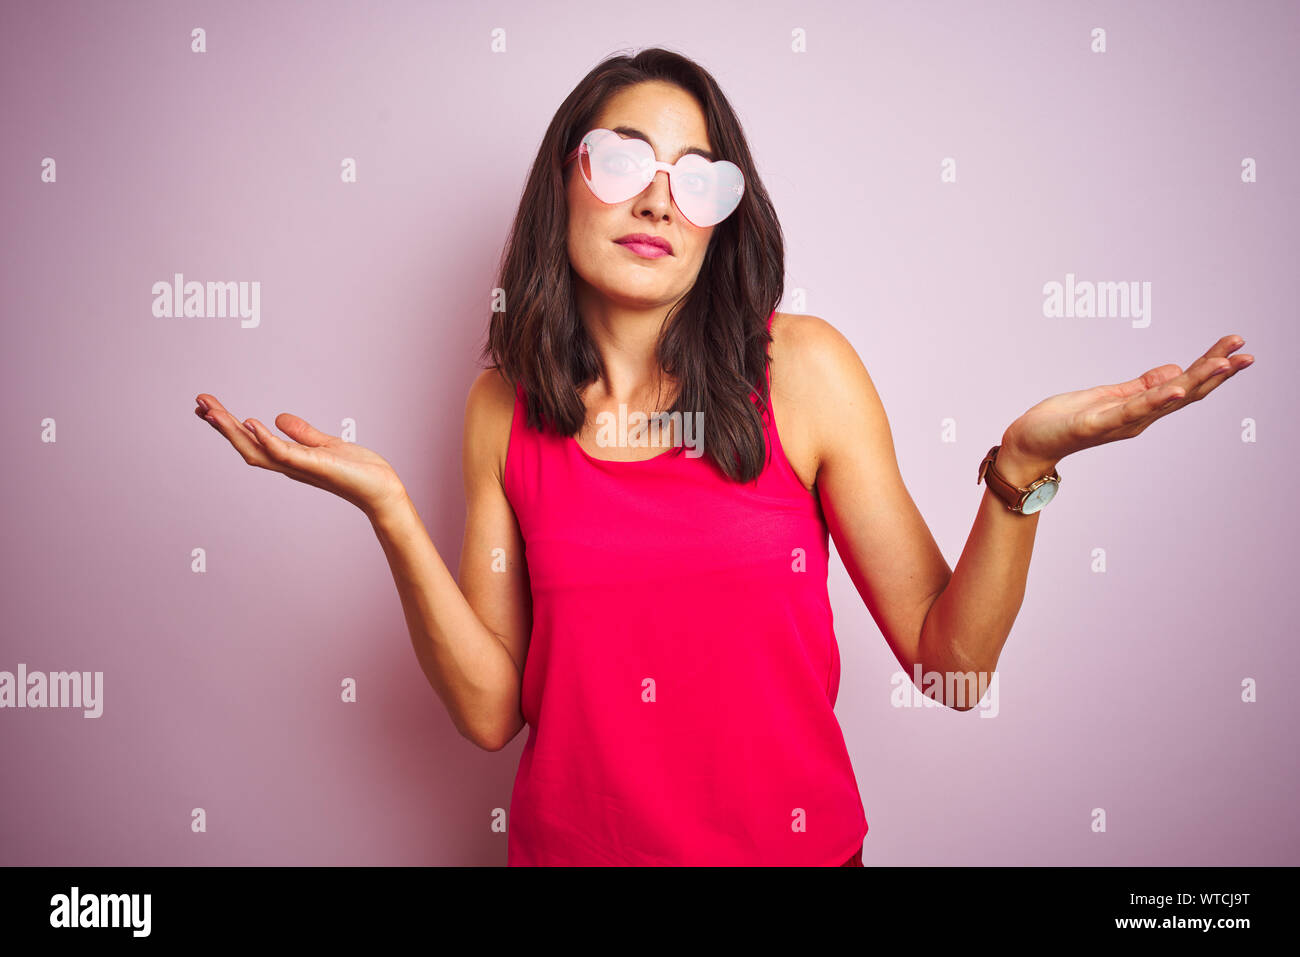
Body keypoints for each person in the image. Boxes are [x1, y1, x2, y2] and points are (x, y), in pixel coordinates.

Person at [193, 48, 1253, 866]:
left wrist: (1019, 470)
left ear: (718, 222)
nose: (657, 198)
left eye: (696, 178)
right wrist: (387, 509)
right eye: (619, 162)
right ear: (561, 185)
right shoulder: (499, 409)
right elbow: (487, 714)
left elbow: (954, 667)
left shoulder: (804, 371)